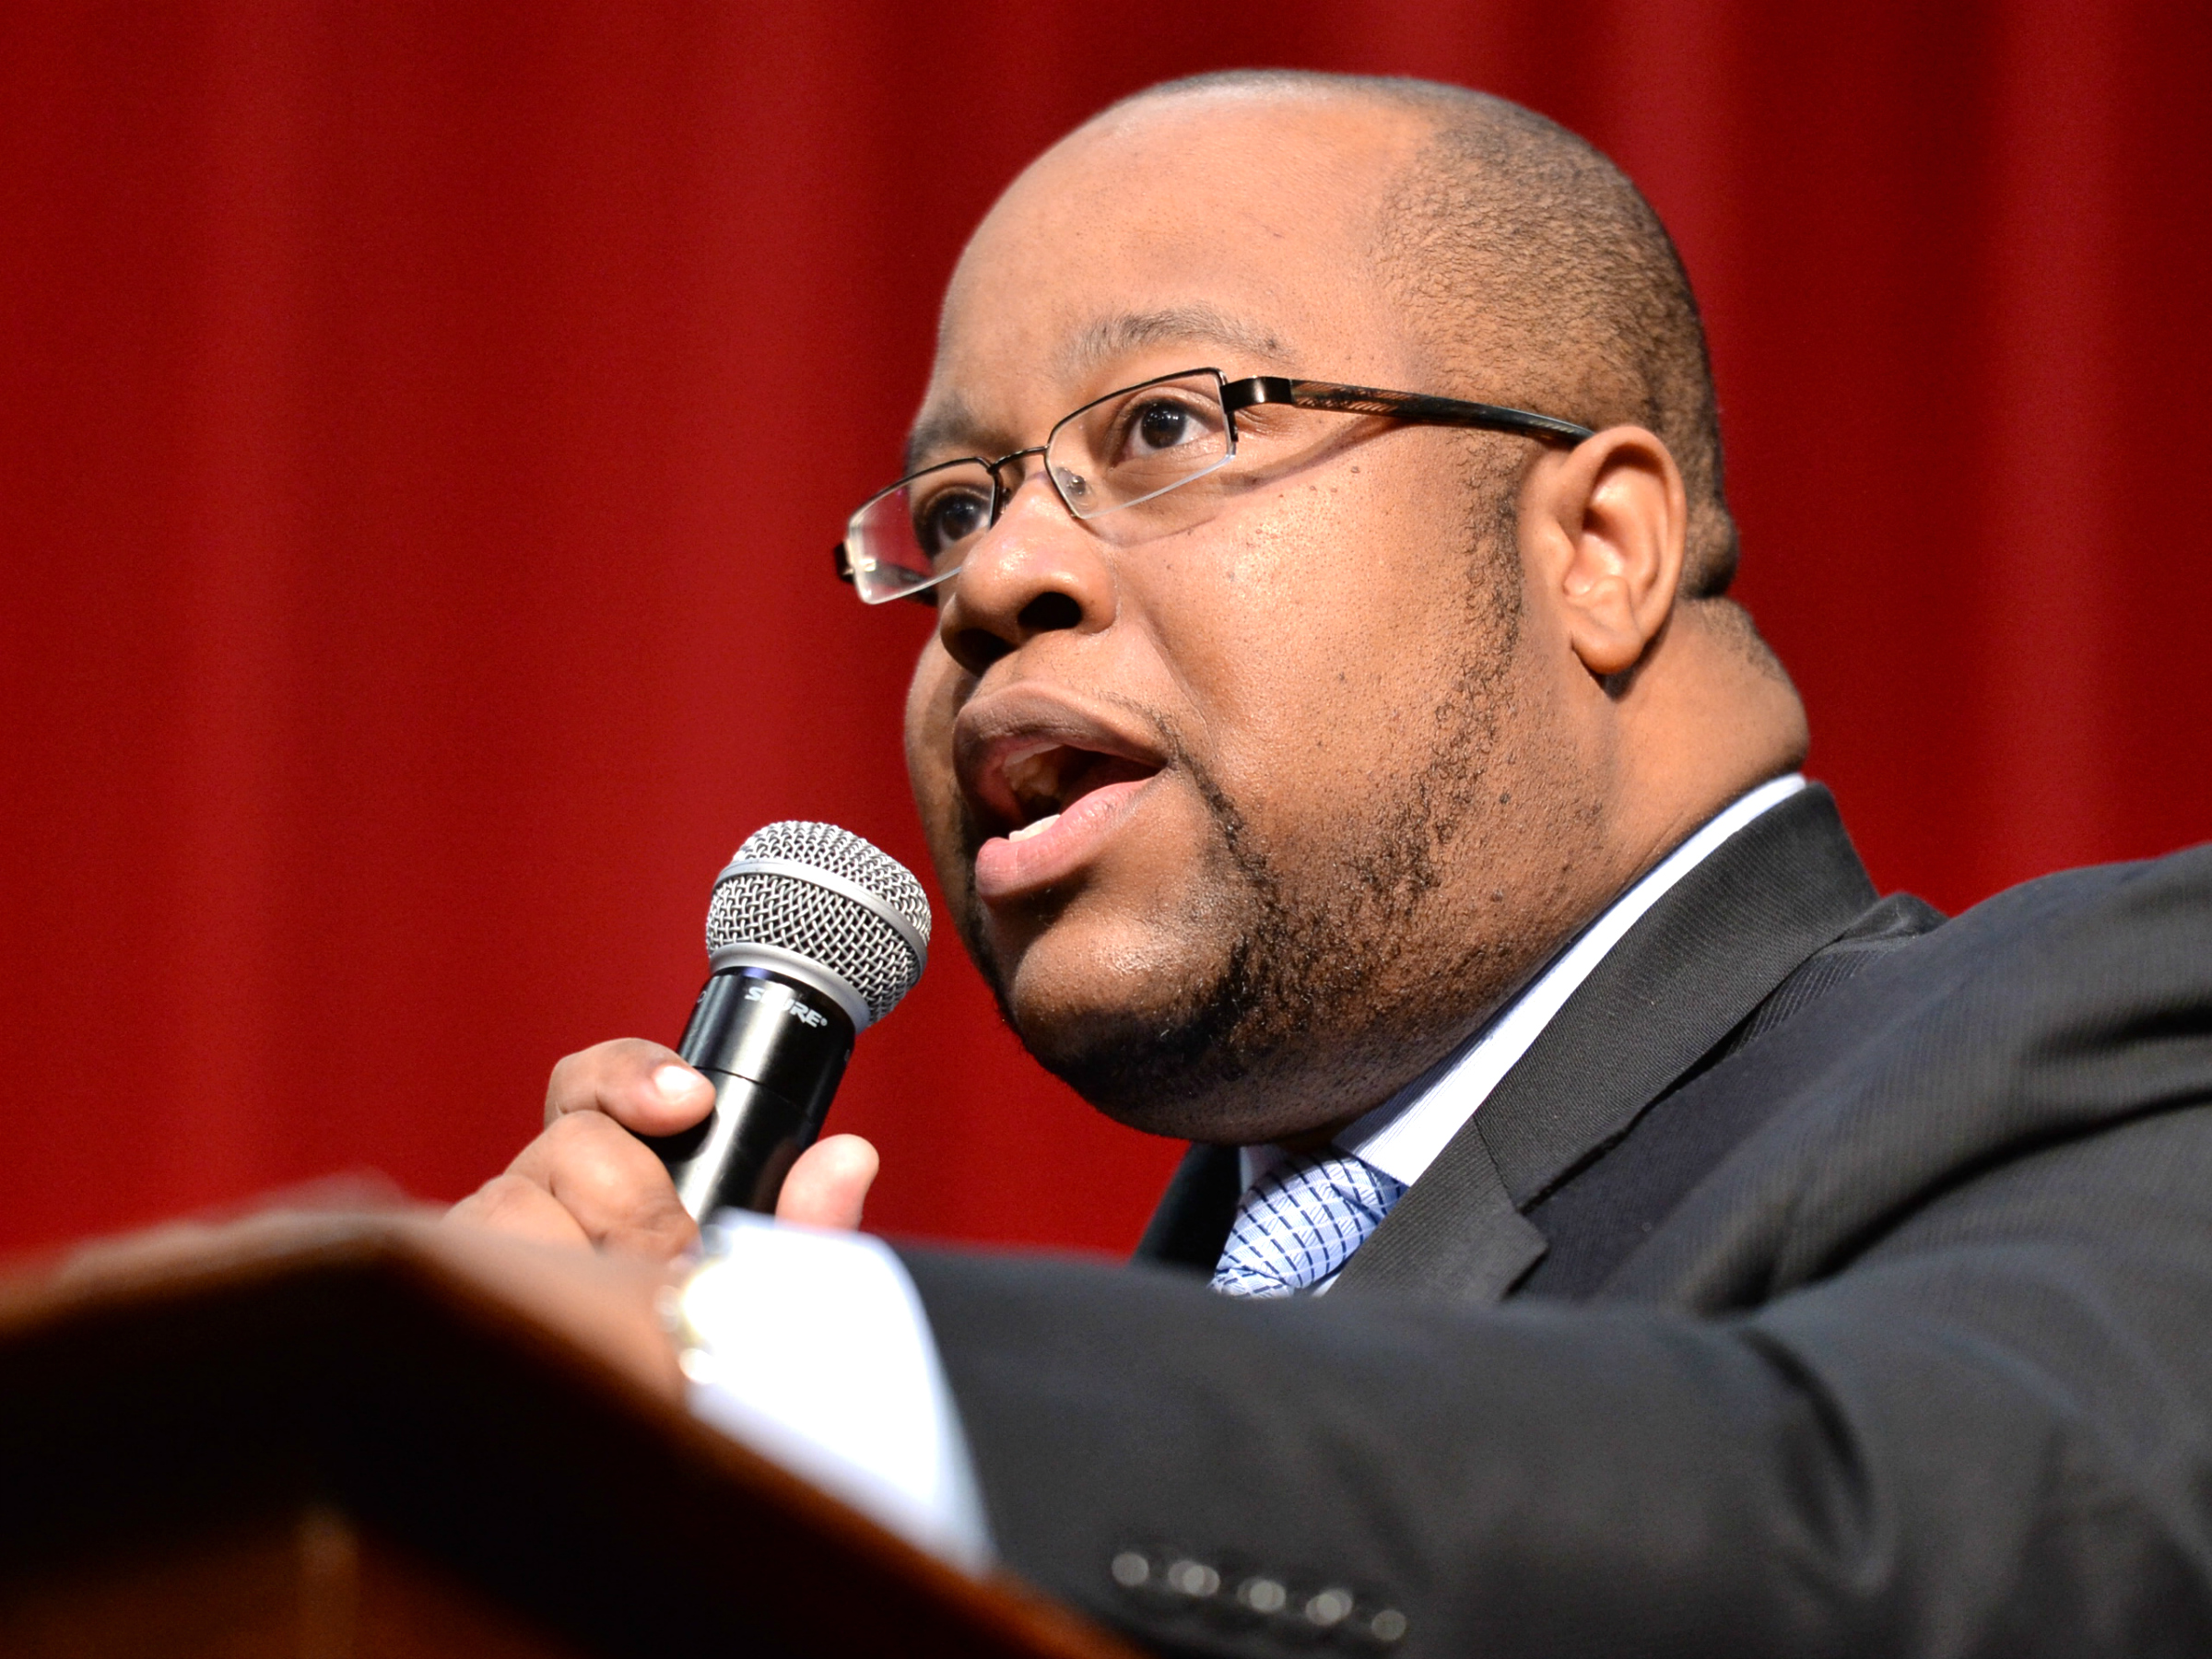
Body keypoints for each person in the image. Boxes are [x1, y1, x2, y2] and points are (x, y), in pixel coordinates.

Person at [447, 72, 2212, 1654]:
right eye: (962, 507)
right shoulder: (1186, 1345)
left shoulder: (2112, 1030)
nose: (989, 586)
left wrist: (805, 1374)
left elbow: (1927, 1538)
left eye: (1161, 429)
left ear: (1598, 548)